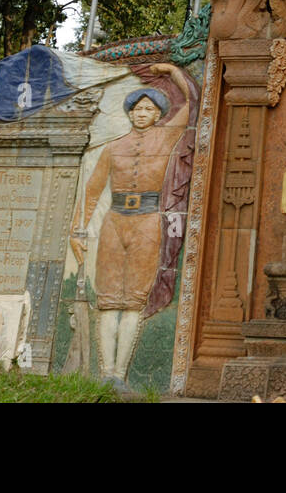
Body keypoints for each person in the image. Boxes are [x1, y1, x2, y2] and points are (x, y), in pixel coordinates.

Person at [71, 62, 192, 387]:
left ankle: (121, 375)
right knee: (110, 299)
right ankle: (106, 372)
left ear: (158, 115)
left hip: (148, 224)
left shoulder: (167, 140)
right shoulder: (114, 148)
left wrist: (172, 71)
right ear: (129, 113)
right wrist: (79, 230)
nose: (141, 113)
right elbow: (93, 191)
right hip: (114, 223)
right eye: (137, 109)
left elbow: (192, 103)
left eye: (149, 109)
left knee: (134, 300)